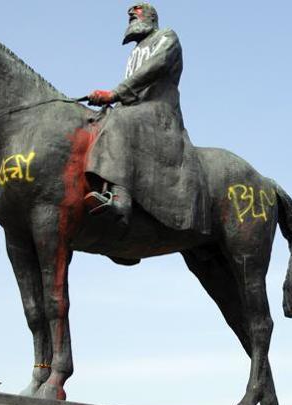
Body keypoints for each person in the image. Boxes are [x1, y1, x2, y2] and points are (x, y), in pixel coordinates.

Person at [84, 3, 210, 236]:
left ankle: (121, 199)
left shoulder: (166, 36)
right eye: (130, 14)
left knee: (119, 119)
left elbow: (155, 66)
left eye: (138, 11)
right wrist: (108, 102)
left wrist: (114, 94)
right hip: (134, 110)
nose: (131, 14)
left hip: (159, 110)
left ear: (151, 17)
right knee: (100, 120)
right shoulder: (135, 51)